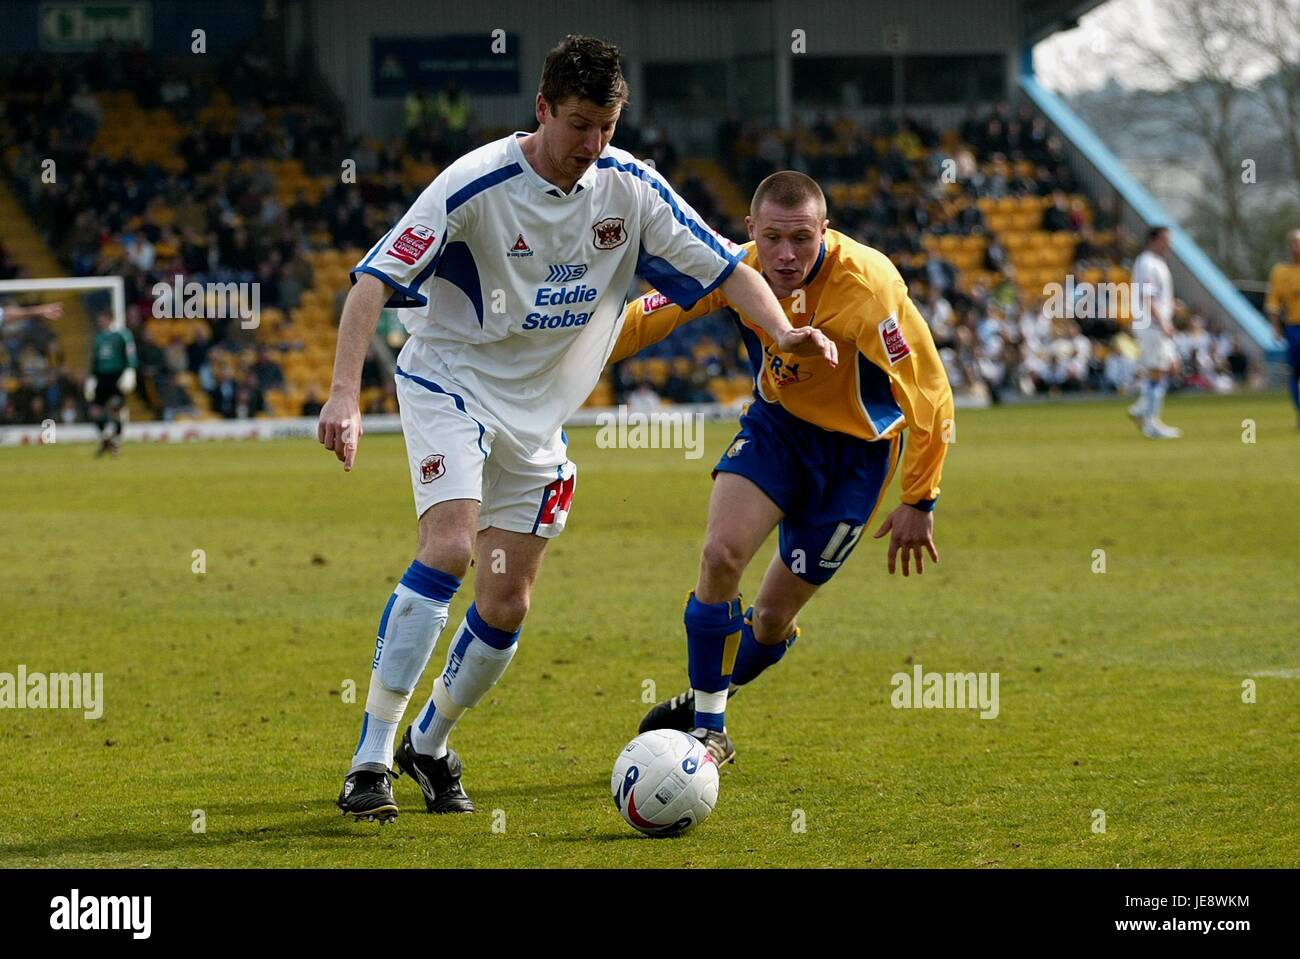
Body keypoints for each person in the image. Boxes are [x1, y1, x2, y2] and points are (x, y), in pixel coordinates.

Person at [317, 36, 836, 822]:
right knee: (452, 546)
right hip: (449, 381)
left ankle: (430, 740)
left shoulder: (629, 190)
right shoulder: (475, 183)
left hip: (537, 422)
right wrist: (343, 396)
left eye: (607, 126)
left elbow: (730, 271)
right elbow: (370, 283)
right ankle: (370, 759)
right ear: (542, 110)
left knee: (507, 602)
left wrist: (780, 333)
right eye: (578, 125)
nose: (592, 146)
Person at [610, 171, 954, 764]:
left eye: (801, 238)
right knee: (721, 555)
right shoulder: (736, 268)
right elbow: (647, 315)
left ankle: (710, 696)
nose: (786, 255)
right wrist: (560, 353)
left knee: (769, 619)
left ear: (825, 229)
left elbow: (928, 391)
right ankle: (709, 727)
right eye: (772, 238)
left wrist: (920, 498)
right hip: (778, 432)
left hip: (857, 460)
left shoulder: (868, 289)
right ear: (751, 232)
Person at [1126, 226, 1182, 439]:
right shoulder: (1148, 263)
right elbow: (1147, 296)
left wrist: (1169, 305)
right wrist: (1163, 321)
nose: (1169, 245)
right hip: (1151, 325)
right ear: (1153, 240)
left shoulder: (1158, 263)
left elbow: (1155, 295)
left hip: (1156, 323)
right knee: (1157, 371)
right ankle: (1151, 422)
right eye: (1166, 240)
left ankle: (1141, 409)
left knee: (1170, 367)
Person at [84, 311, 137, 456]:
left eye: (102, 318)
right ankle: (106, 439)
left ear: (109, 318)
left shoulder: (122, 335)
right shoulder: (98, 338)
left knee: (116, 409)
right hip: (101, 377)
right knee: (94, 412)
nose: (100, 322)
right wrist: (91, 378)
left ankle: (116, 441)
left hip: (117, 377)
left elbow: (130, 354)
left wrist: (130, 371)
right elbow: (94, 359)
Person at [1264, 229, 1300, 426]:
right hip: (1294, 327)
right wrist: (1275, 327)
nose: (1297, 246)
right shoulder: (1281, 272)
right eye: (1294, 242)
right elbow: (1273, 303)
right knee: (1295, 371)